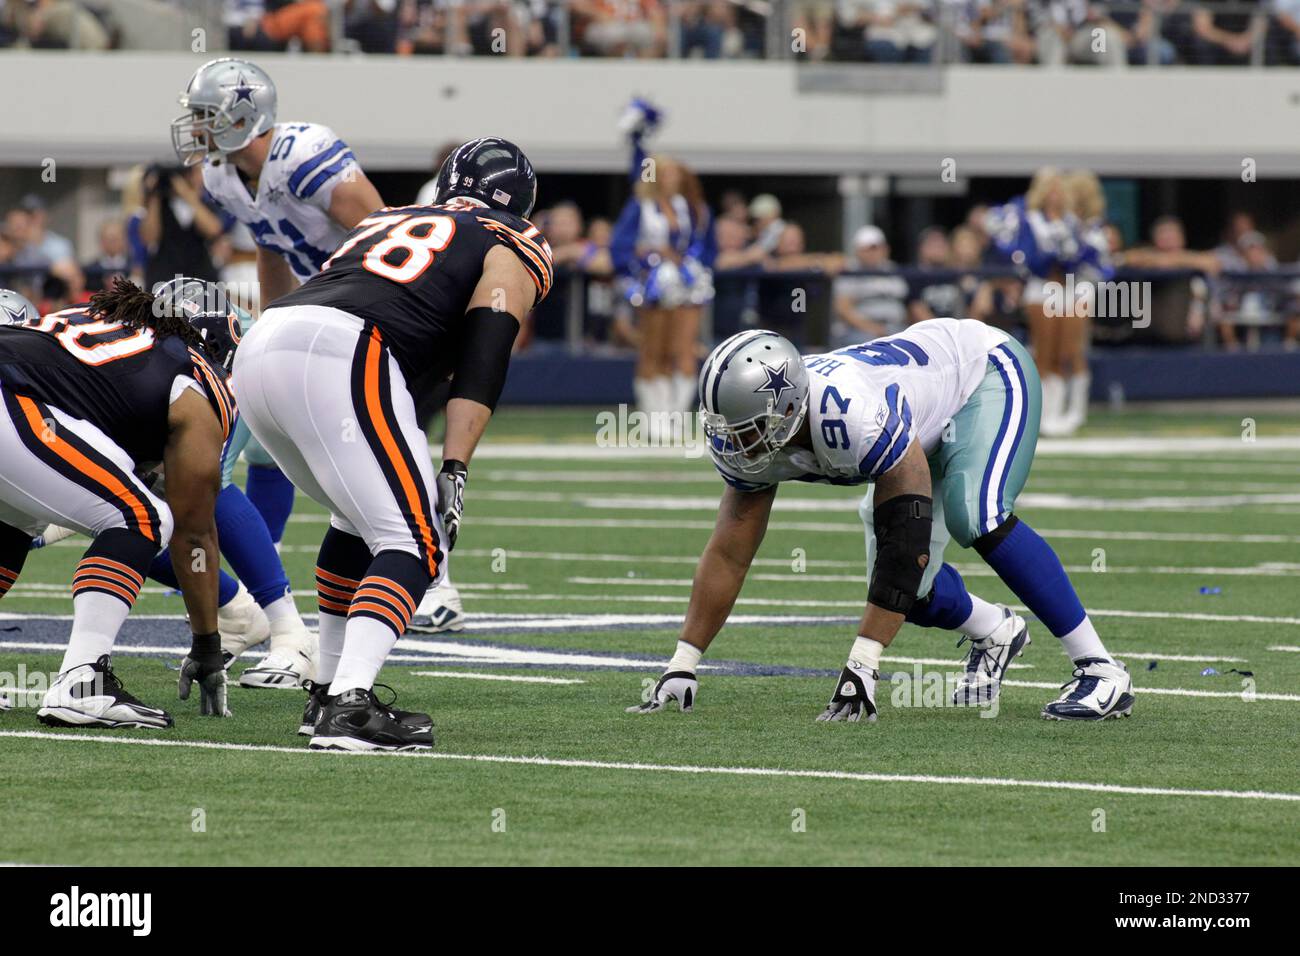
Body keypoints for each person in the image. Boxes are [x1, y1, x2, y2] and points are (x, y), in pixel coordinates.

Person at [629, 320, 1134, 722]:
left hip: (982, 375)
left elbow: (906, 533)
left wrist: (862, 667)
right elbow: (729, 551)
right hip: (917, 421)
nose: (733, 443)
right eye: (725, 428)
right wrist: (684, 663)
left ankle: (1100, 669)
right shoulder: (760, 439)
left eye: (746, 430)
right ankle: (995, 630)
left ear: (785, 412)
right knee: (907, 592)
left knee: (972, 514)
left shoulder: (848, 414)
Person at [231, 137, 553, 750]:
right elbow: (487, 350)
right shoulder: (513, 238)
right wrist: (455, 466)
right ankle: (351, 706)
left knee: (357, 522)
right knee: (414, 540)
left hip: (266, 343)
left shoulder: (389, 217)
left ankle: (327, 690)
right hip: (346, 351)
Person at [0, 278, 236, 728]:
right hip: (10, 399)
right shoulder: (193, 375)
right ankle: (82, 682)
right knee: (142, 516)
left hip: (15, 396)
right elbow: (194, 530)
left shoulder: (102, 324)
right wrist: (207, 644)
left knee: (12, 521)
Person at [611, 100, 716, 426]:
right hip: (653, 283)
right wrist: (645, 261)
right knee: (653, 349)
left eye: (674, 173)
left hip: (686, 281)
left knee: (684, 349)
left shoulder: (692, 208)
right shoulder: (640, 207)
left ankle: (677, 416)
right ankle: (653, 418)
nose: (670, 179)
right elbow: (620, 246)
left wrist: (692, 264)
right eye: (664, 173)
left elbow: (706, 245)